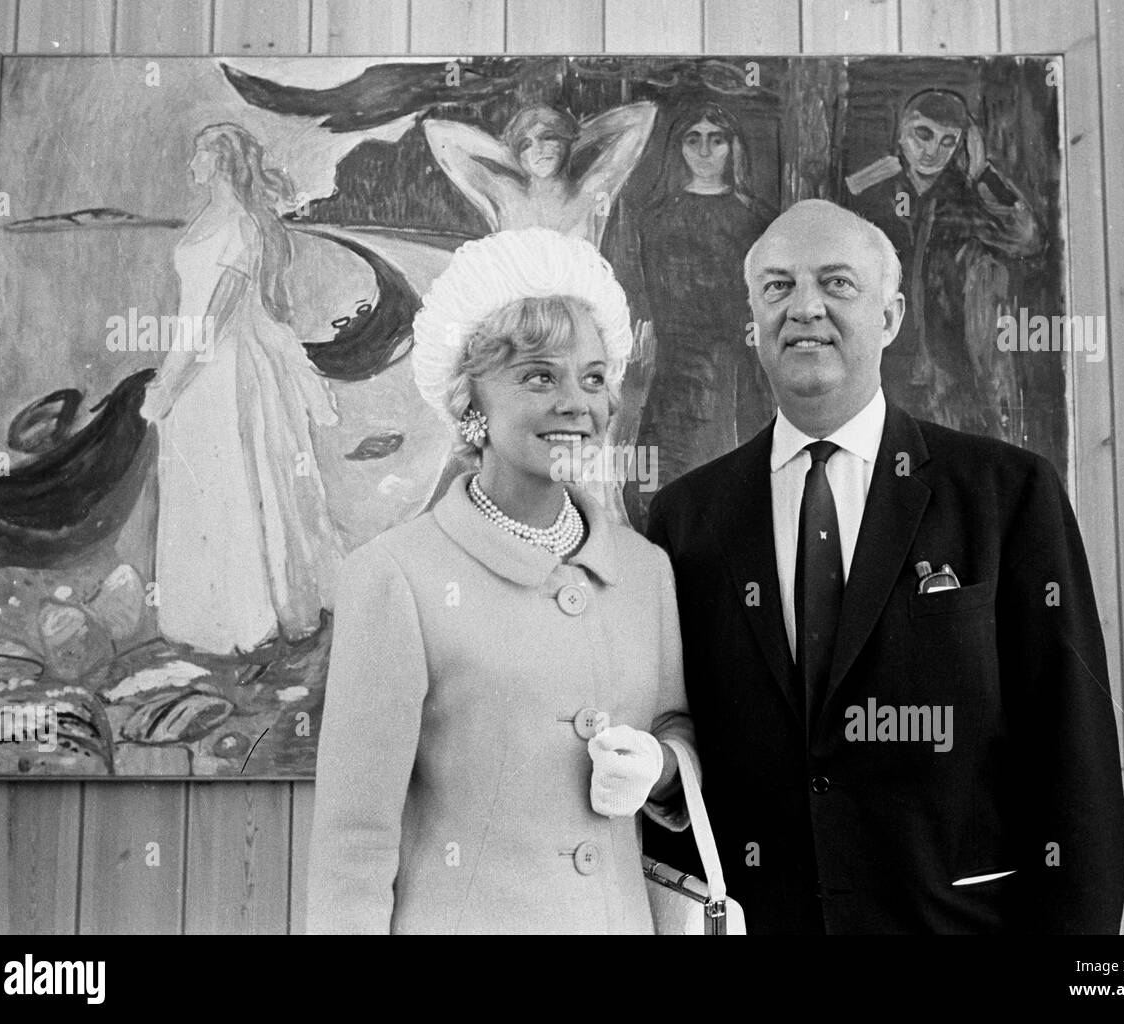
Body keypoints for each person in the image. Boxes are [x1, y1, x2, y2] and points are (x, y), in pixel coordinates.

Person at [642, 199, 1124, 934]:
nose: (804, 307)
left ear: (891, 316)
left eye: (837, 283)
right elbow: (682, 744)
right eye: (778, 287)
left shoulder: (1007, 493)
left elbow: (1073, 750)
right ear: (752, 319)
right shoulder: (688, 517)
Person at [306, 228, 697, 934]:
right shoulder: (396, 577)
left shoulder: (646, 572)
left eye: (594, 377)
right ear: (470, 403)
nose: (576, 402)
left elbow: (674, 727)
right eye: (539, 376)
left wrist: (662, 767)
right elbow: (354, 841)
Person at [140, 123, 344, 655]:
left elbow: (214, 320)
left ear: (223, 162)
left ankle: (248, 617)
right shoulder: (211, 219)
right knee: (204, 481)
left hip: (226, 373)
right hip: (200, 366)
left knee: (238, 478)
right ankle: (204, 614)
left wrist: (169, 382)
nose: (192, 163)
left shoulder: (243, 228)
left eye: (200, 153)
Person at [843, 89, 1043, 439]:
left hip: (954, 371)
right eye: (923, 134)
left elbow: (1028, 238)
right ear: (902, 132)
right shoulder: (872, 193)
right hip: (885, 367)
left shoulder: (968, 198)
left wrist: (983, 172)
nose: (933, 151)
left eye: (948, 141)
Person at [632, 101, 776, 523]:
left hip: (737, 362)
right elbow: (639, 291)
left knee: (734, 463)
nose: (705, 150)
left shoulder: (758, 218)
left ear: (734, 148)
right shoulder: (655, 219)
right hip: (672, 362)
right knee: (668, 467)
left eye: (717, 139)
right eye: (693, 139)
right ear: (678, 148)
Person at [422, 102, 657, 249]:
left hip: (574, 315)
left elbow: (643, 116)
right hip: (518, 318)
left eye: (548, 137)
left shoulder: (591, 193)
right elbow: (437, 133)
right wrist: (507, 151)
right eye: (526, 144)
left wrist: (578, 136)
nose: (538, 150)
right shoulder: (506, 195)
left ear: (565, 141)